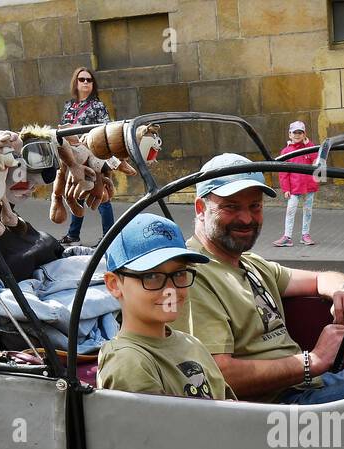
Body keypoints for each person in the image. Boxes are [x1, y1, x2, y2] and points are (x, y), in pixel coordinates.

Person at [181, 154, 344, 404]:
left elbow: (321, 279)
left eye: (255, 206)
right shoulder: (193, 275)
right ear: (201, 209)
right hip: (275, 412)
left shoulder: (249, 262)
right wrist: (314, 360)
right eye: (231, 207)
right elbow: (219, 374)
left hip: (308, 386)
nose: (246, 219)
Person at [98, 213, 232, 401]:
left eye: (179, 274)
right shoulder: (129, 361)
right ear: (114, 284)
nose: (171, 290)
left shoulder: (192, 343)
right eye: (152, 277)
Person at [58, 67, 114, 245]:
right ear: (76, 82)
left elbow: (107, 128)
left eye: (89, 80)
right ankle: (73, 235)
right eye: (81, 79)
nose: (85, 83)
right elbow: (63, 129)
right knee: (78, 193)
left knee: (102, 195)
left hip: (94, 155)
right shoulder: (69, 105)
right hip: (75, 158)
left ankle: (109, 236)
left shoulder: (98, 106)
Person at [273, 120, 319, 247]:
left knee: (308, 210)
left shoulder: (310, 147)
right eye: (295, 132)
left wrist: (308, 144)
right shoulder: (286, 151)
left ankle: (305, 235)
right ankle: (287, 236)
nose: (297, 135)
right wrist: (285, 189)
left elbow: (316, 161)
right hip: (294, 187)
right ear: (290, 134)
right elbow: (283, 172)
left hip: (309, 185)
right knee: (290, 210)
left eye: (300, 132)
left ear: (304, 134)